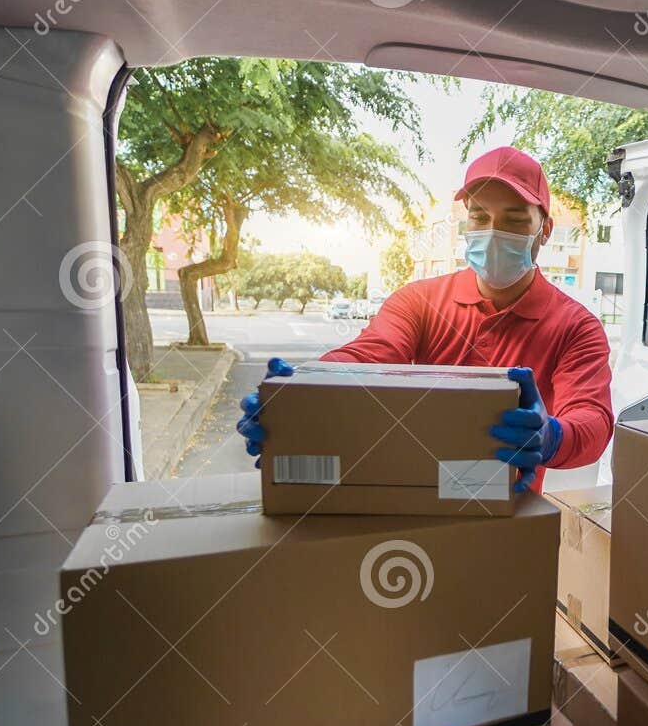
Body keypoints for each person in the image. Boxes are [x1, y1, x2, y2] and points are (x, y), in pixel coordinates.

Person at [237, 146, 614, 492]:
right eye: (479, 217)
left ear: (544, 230)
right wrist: (301, 391)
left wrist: (552, 437)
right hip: (416, 499)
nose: (492, 232)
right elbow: (369, 356)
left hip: (510, 516)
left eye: (514, 221)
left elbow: (593, 420)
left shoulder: (575, 327)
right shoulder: (420, 301)